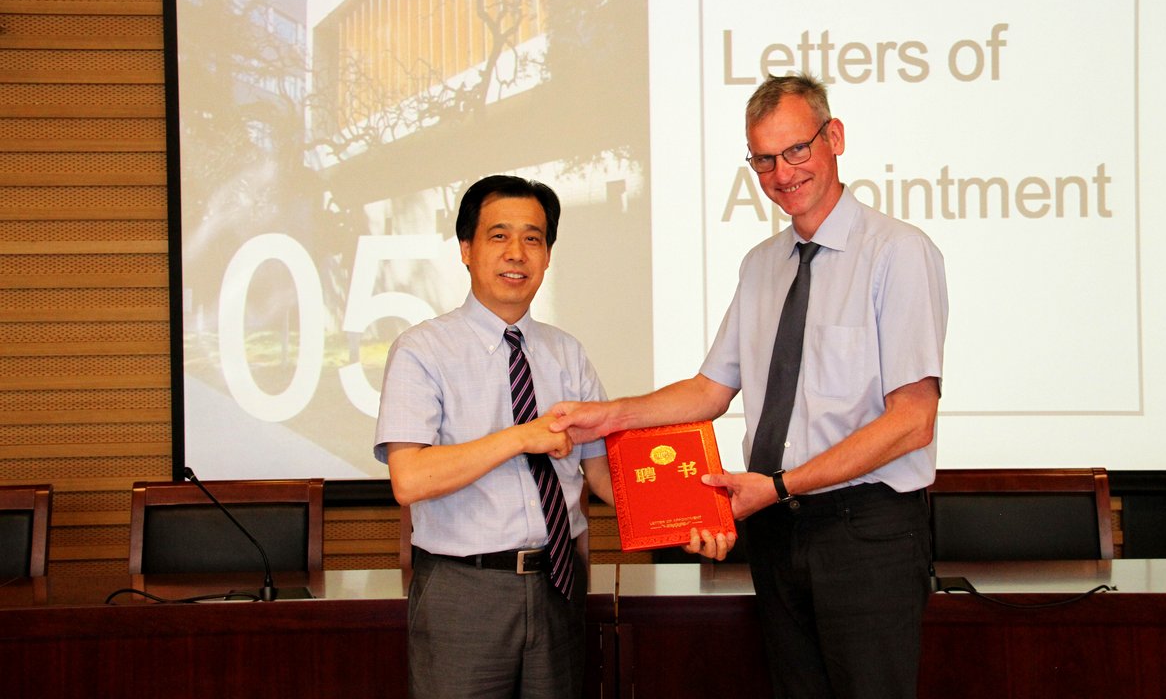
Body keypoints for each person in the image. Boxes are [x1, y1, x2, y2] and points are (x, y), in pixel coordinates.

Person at [552, 73, 949, 698]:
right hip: (775, 532)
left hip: (864, 531)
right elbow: (710, 391)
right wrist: (609, 416)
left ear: (834, 138)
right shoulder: (762, 265)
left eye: (797, 150)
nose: (782, 173)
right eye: (763, 159)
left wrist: (780, 486)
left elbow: (912, 421)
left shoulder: (897, 253)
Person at [373, 174, 615, 698]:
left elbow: (602, 474)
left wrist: (687, 514)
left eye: (533, 238)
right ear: (466, 249)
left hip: (558, 583)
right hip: (464, 590)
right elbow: (409, 479)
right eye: (499, 235)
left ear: (547, 257)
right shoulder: (422, 350)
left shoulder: (566, 353)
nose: (517, 253)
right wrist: (519, 438)